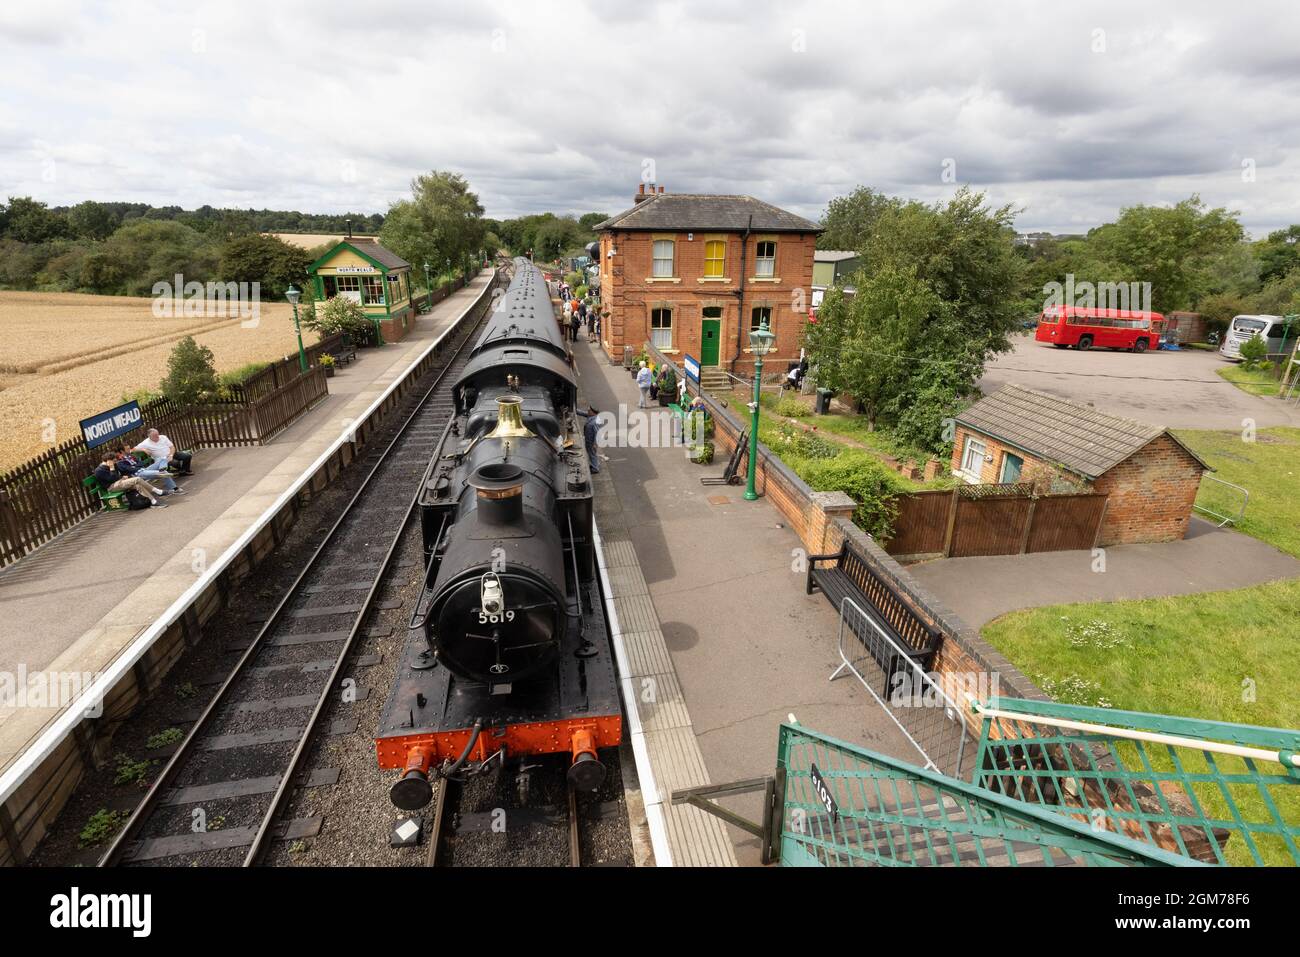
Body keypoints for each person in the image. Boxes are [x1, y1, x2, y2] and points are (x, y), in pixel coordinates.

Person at [94, 452, 167, 508]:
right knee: (137, 479)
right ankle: (158, 491)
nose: (115, 462)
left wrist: (122, 477)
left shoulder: (114, 465)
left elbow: (117, 476)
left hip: (120, 482)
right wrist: (112, 469)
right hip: (112, 487)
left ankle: (153, 502)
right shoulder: (99, 470)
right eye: (114, 461)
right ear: (108, 461)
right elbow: (112, 479)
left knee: (138, 485)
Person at [116, 445, 182, 495]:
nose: (129, 449)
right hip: (137, 474)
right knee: (163, 474)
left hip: (144, 470)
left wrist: (135, 466)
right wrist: (136, 467)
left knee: (162, 459)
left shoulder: (131, 456)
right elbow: (129, 469)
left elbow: (140, 463)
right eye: (127, 449)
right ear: (122, 451)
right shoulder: (120, 461)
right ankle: (174, 488)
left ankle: (162, 470)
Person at [577, 406, 603, 473]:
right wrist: (573, 409)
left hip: (591, 441)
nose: (587, 411)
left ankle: (595, 468)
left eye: (589, 411)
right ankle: (594, 464)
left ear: (593, 412)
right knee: (592, 453)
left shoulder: (595, 422)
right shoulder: (591, 416)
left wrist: (595, 443)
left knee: (592, 454)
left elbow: (598, 433)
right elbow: (582, 413)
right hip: (589, 439)